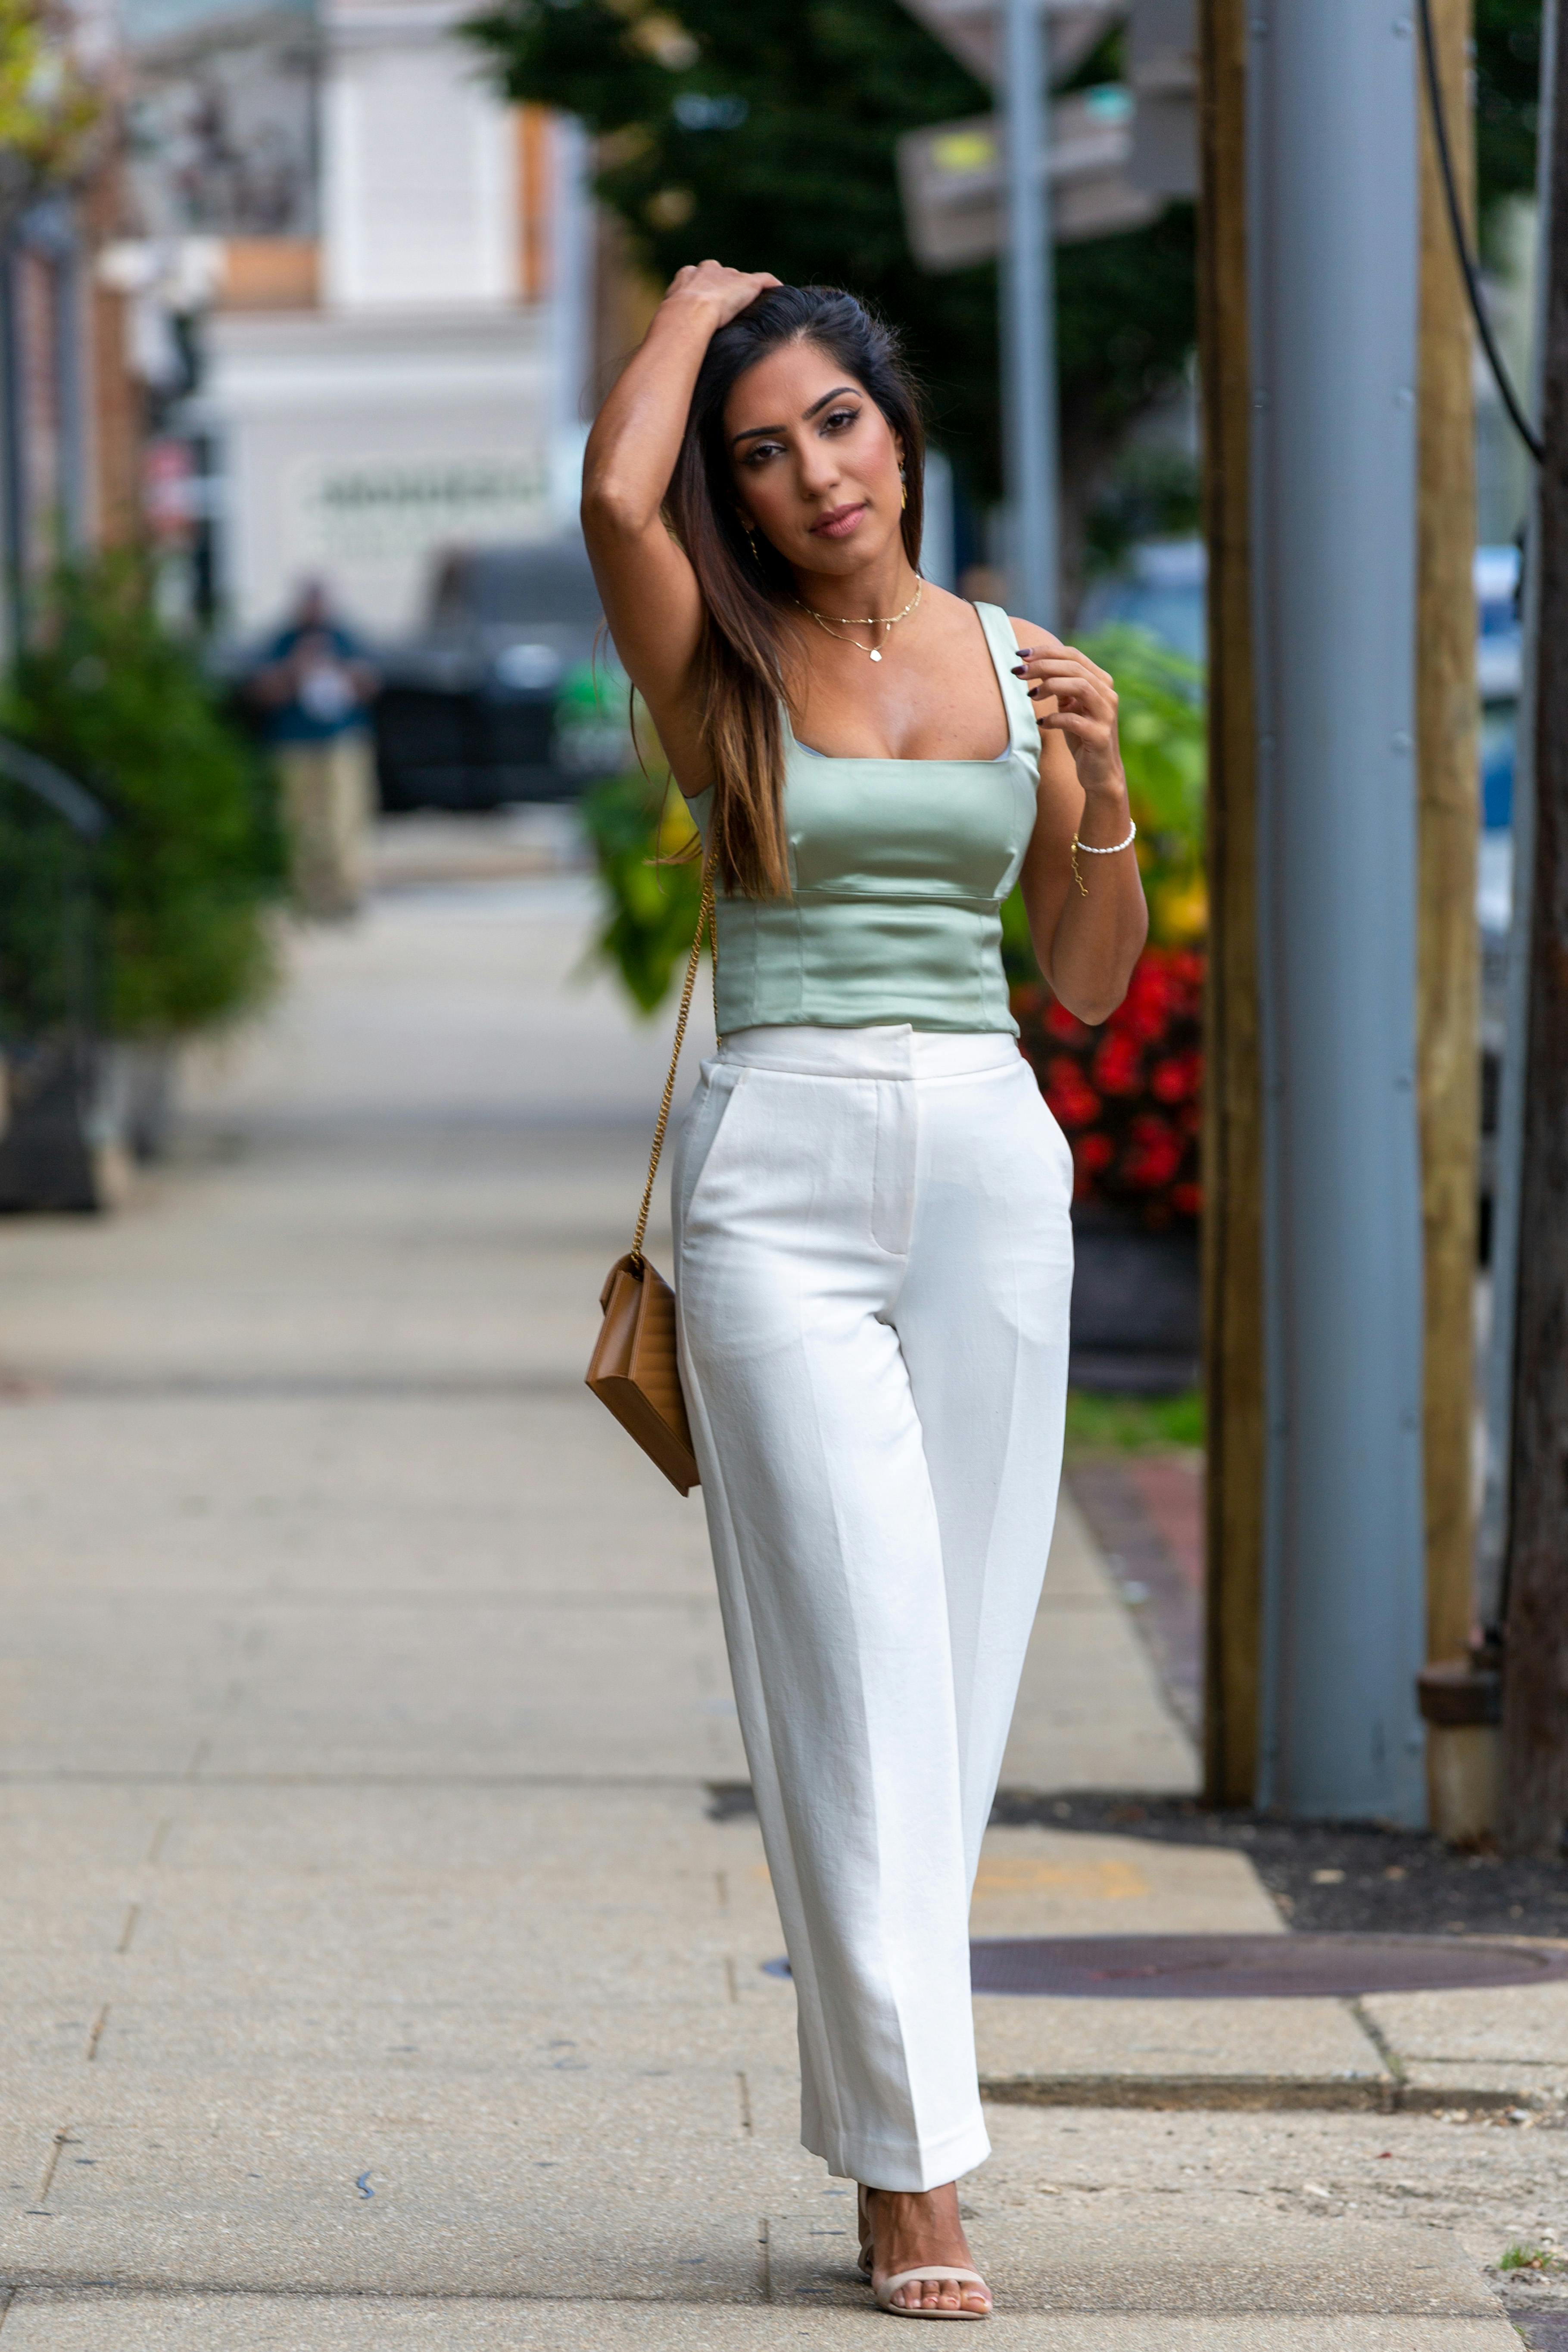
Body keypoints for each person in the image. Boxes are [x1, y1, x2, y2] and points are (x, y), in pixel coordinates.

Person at [582, 267, 1146, 2322]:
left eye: (833, 419)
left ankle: (876, 2118)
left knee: (953, 1680)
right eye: (761, 446)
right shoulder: (713, 658)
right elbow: (612, 507)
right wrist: (679, 317)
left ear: (893, 430)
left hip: (991, 1163)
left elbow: (1083, 977)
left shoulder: (1016, 660)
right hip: (781, 1179)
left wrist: (1093, 784)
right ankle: (919, 2180)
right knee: (851, 1655)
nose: (810, 469)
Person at [248, 581, 380, 919]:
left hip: (340, 741)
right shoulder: (283, 642)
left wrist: (344, 674)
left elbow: (371, 683)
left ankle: (345, 892)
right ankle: (306, 894)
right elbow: (261, 692)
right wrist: (295, 670)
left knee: (344, 819)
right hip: (294, 744)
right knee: (299, 821)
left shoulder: (343, 639)